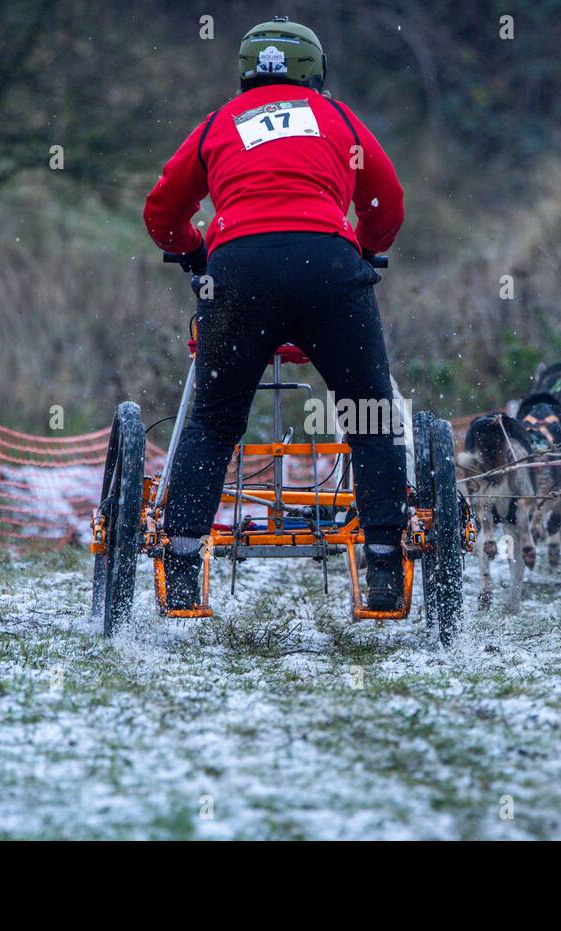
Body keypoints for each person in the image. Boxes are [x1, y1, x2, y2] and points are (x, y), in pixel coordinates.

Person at [143, 17, 408, 610]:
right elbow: (386, 202)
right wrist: (363, 249)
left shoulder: (219, 123)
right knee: (368, 414)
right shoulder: (338, 119)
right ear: (316, 71)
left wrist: (192, 251)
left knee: (212, 422)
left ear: (244, 70)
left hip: (237, 271)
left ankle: (183, 562)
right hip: (328, 268)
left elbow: (161, 207)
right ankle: (386, 565)